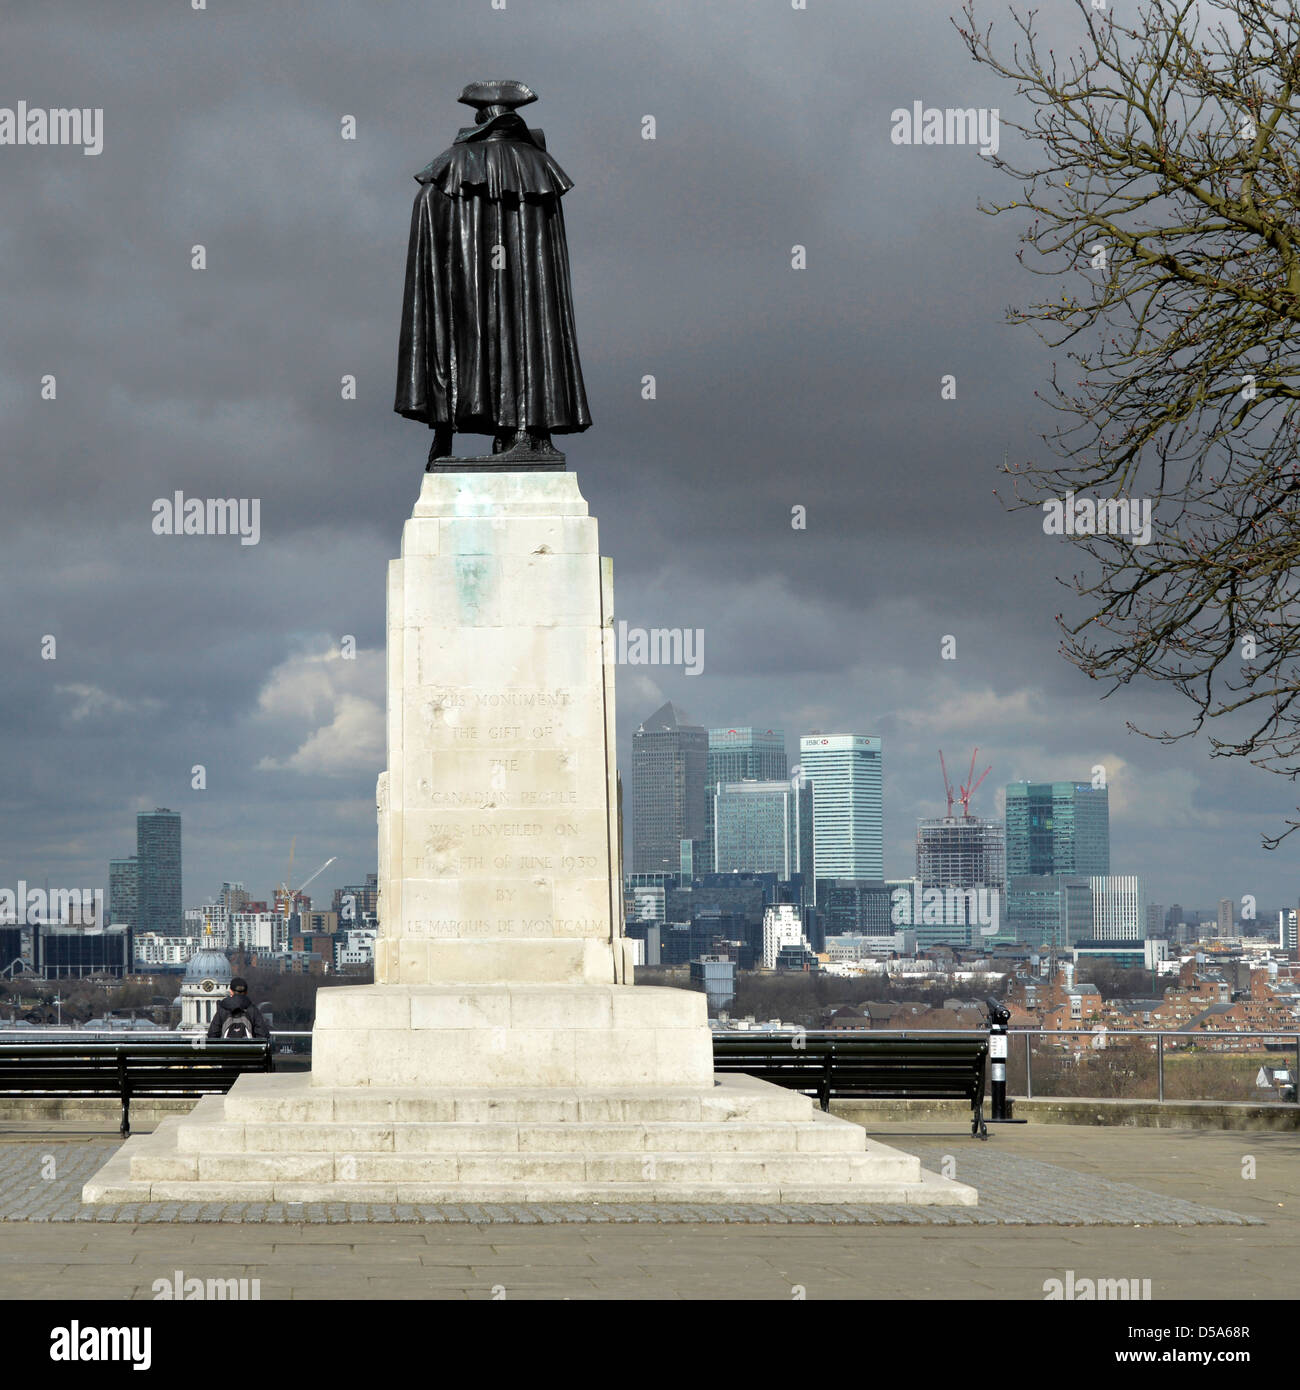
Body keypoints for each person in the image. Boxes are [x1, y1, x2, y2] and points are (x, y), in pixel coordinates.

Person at [395, 79, 592, 465]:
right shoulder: (539, 166)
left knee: (474, 341)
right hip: (527, 290)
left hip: (470, 285)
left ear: (480, 121)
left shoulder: (452, 165)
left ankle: (501, 433)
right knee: (530, 335)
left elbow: (428, 210)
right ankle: (527, 430)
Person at [206, 977, 270, 1041]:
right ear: (246, 992)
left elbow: (212, 1034)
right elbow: (263, 1034)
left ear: (231, 991)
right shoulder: (252, 1009)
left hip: (226, 1049)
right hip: (248, 1049)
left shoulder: (222, 1010)